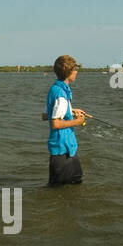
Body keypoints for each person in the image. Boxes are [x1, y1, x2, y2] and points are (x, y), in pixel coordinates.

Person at [44, 54, 86, 186]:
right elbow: (55, 123)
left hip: (68, 149)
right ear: (68, 72)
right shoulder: (61, 94)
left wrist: (71, 111)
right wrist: (77, 121)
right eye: (75, 69)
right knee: (57, 189)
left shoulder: (55, 89)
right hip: (61, 150)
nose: (76, 72)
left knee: (76, 181)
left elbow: (45, 115)